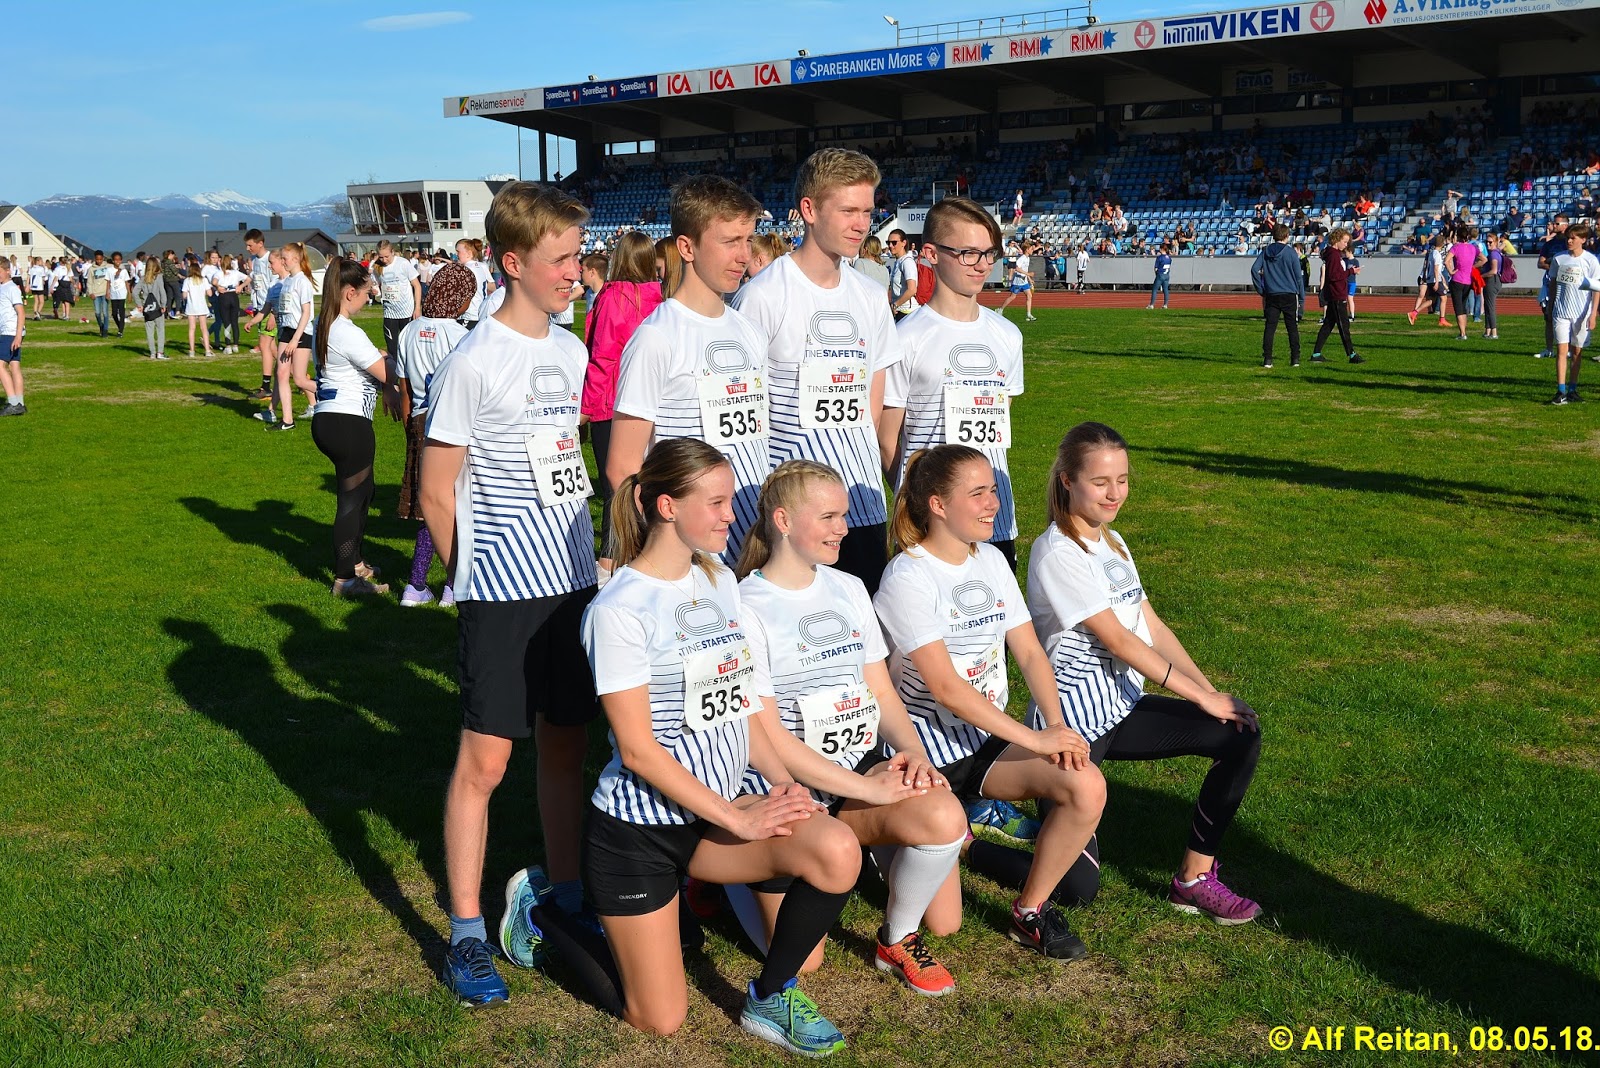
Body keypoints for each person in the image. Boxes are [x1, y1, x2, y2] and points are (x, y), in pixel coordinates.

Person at [580, 437, 858, 1055]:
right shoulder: (618, 608)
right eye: (716, 502)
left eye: (730, 500)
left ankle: (770, 995)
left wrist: (783, 781)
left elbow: (742, 707)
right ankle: (542, 919)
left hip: (711, 819)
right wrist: (737, 817)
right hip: (639, 834)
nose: (731, 515)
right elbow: (638, 752)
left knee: (837, 849)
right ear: (666, 506)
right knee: (659, 1020)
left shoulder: (718, 578)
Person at [419, 182, 600, 1008]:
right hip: (501, 593)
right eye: (562, 259)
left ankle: (562, 896)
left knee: (567, 743)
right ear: (513, 262)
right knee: (486, 760)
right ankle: (464, 929)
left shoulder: (569, 350)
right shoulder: (473, 359)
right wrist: (472, 577)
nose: (578, 272)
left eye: (579, 255)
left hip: (572, 584)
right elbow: (434, 487)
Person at [727, 459, 967, 996]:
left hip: (857, 769)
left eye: (845, 515)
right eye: (830, 516)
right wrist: (868, 789)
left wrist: (915, 753)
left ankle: (896, 938)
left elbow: (881, 692)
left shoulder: (849, 587)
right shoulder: (745, 605)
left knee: (945, 823)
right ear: (783, 521)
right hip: (784, 786)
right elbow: (770, 739)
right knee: (801, 961)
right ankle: (728, 875)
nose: (844, 527)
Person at [874, 444, 1105, 961]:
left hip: (980, 743)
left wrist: (1059, 730)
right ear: (937, 505)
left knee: (1085, 783)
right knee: (946, 923)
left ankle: (1029, 912)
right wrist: (1033, 739)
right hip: (920, 753)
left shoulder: (994, 561)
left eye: (993, 490)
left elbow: (1028, 649)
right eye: (977, 493)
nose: (992, 503)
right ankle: (891, 835)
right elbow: (946, 688)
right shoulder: (907, 576)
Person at [1028, 422, 1263, 923]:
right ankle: (971, 849)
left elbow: (1148, 624)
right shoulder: (1057, 552)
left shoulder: (1113, 542)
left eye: (1123, 480)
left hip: (1121, 708)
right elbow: (1117, 639)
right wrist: (1198, 698)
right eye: (1100, 482)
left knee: (1239, 734)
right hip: (1072, 729)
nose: (1115, 494)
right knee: (1075, 889)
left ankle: (1193, 879)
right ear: (1068, 480)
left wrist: (1208, 691)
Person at [731, 148, 905, 596]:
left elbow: (873, 403)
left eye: (868, 211)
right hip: (797, 511)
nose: (862, 224)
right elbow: (748, 410)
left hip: (862, 502)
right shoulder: (763, 297)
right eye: (848, 210)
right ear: (808, 209)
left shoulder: (870, 296)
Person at [606, 176, 772, 568]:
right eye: (729, 241)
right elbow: (622, 467)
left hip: (756, 539)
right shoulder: (657, 338)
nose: (743, 256)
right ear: (687, 247)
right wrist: (666, 557)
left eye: (748, 240)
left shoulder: (749, 330)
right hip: (692, 552)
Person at [880, 197, 1023, 571]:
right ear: (930, 253)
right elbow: (886, 438)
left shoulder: (1008, 335)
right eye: (967, 253)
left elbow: (997, 422)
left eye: (989, 253)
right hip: (931, 520)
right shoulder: (906, 337)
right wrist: (922, 495)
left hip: (996, 518)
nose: (982, 265)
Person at [582, 231, 663, 581]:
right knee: (647, 481)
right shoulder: (661, 295)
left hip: (612, 401)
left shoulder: (614, 297)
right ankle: (644, 551)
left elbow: (602, 355)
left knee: (617, 486)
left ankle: (610, 560)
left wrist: (585, 407)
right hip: (653, 401)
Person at [310, 257, 394, 597]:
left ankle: (356, 562)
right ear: (348, 293)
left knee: (364, 492)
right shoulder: (347, 330)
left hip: (329, 418)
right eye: (365, 292)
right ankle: (345, 580)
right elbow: (388, 373)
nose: (368, 296)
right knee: (352, 499)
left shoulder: (325, 323)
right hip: (348, 424)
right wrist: (388, 364)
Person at [394, 262, 474, 607]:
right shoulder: (460, 336)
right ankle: (453, 583)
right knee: (456, 506)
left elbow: (402, 385)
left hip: (418, 420)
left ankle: (416, 584)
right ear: (457, 298)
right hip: (450, 424)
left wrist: (410, 421)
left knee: (428, 506)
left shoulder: (409, 332)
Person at [1543, 222, 1600, 405]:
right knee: (1562, 350)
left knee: (1577, 351)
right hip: (1561, 311)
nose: (1569, 240)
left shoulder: (1591, 261)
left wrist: (1592, 315)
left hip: (1581, 312)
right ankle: (1560, 391)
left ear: (1582, 240)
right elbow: (1552, 284)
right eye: (1568, 237)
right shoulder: (1559, 259)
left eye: (1573, 238)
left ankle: (1573, 389)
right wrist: (1550, 306)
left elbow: (1596, 289)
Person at [273, 243, 318, 431]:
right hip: (286, 331)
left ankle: (337, 392)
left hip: (301, 333)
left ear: (295, 259)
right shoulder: (288, 281)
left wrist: (294, 339)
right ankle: (287, 420)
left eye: (284, 258)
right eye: (281, 258)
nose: (282, 261)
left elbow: (306, 313)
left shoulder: (302, 281)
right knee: (282, 373)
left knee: (299, 379)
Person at [1251, 224, 1304, 369]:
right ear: (1287, 236)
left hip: (1272, 294)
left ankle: (1267, 359)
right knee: (1292, 327)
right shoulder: (1291, 253)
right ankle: (1295, 359)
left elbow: (1255, 269)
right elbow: (1298, 277)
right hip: (1289, 294)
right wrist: (1301, 297)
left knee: (1270, 328)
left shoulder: (1266, 251)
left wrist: (1261, 289)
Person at [1310, 229, 1362, 364]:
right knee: (1343, 326)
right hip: (1337, 294)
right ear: (1336, 240)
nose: (1346, 245)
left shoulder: (1333, 254)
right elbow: (1334, 276)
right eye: (1344, 242)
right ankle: (1351, 354)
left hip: (1335, 293)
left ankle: (1316, 353)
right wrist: (1350, 271)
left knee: (1328, 325)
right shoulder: (1333, 255)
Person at [372, 240, 421, 358]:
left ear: (392, 252)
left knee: (409, 347)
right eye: (381, 257)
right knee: (392, 348)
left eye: (387, 256)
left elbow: (417, 285)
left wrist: (417, 308)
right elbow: (375, 285)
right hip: (390, 313)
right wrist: (374, 291)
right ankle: (394, 374)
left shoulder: (403, 263)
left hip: (406, 311)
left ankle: (409, 373)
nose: (384, 260)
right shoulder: (377, 267)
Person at [244, 230, 278, 400]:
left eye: (250, 245)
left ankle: (266, 387)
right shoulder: (255, 261)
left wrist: (272, 313)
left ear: (260, 243)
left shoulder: (270, 260)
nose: (247, 248)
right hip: (260, 308)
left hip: (269, 308)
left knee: (264, 346)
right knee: (272, 349)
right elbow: (255, 279)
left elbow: (275, 285)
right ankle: (300, 377)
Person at [0, 260, 25, 416]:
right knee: (14, 366)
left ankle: (13, 402)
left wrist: (17, 336)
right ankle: (20, 403)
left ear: (7, 270)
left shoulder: (12, 288)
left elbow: (21, 312)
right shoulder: (2, 287)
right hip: (7, 331)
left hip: (10, 332)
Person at [455, 237, 497, 330]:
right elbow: (492, 287)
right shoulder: (482, 266)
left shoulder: (464, 270)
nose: (456, 254)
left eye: (458, 252)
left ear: (469, 253)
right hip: (481, 313)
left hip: (468, 316)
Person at [1409, 235, 1449, 327]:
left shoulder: (1432, 253)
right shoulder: (1437, 254)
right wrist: (1437, 282)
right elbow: (1436, 268)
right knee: (1444, 298)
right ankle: (1442, 319)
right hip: (1435, 280)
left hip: (1431, 279)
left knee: (1432, 300)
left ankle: (1414, 313)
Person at [134, 257, 168, 359]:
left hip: (147, 308)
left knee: (149, 331)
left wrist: (139, 304)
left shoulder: (143, 278)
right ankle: (160, 352)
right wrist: (163, 304)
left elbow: (135, 292)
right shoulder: (159, 277)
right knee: (160, 330)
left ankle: (152, 352)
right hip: (157, 307)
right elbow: (162, 292)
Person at [214, 256, 247, 353]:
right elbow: (248, 278)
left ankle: (228, 345)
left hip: (224, 296)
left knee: (226, 322)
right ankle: (236, 344)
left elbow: (214, 281)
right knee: (234, 322)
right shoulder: (236, 273)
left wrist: (218, 287)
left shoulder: (219, 273)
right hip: (233, 296)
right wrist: (240, 286)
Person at [181, 263, 214, 358]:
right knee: (204, 329)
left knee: (192, 329)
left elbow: (184, 295)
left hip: (191, 307)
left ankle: (192, 351)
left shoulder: (187, 280)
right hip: (202, 307)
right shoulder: (204, 280)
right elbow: (210, 293)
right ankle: (207, 350)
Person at [886, 229, 918, 320]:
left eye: (894, 242)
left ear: (903, 243)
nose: (890, 246)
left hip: (907, 312)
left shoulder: (907, 262)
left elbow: (912, 289)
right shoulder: (898, 261)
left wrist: (896, 304)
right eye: (888, 242)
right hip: (901, 311)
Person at [1482, 231, 1506, 340]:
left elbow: (1494, 270)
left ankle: (1494, 332)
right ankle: (1487, 330)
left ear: (1496, 242)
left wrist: (1482, 275)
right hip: (1492, 280)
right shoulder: (1496, 253)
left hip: (1492, 280)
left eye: (1490, 242)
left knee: (1490, 307)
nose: (1488, 244)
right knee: (1487, 306)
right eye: (1486, 242)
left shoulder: (1493, 254)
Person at [105, 252, 133, 338]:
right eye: (116, 260)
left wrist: (129, 293)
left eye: (119, 260)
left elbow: (126, 282)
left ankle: (120, 331)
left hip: (122, 294)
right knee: (114, 314)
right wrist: (107, 292)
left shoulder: (124, 271)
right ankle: (120, 327)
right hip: (113, 294)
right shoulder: (109, 270)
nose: (117, 261)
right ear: (113, 261)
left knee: (121, 313)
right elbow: (108, 282)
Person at [87, 251, 112, 338]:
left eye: (100, 259)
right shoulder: (91, 269)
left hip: (105, 293)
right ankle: (101, 326)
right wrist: (90, 292)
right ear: (95, 259)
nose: (99, 261)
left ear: (103, 258)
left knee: (105, 313)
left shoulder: (108, 267)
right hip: (96, 293)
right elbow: (89, 282)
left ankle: (105, 330)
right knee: (97, 313)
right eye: (97, 259)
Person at [1147, 243, 1173, 309]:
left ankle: (1152, 304)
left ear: (1161, 249)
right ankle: (1165, 304)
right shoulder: (1169, 258)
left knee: (1155, 289)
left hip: (1160, 274)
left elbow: (1156, 268)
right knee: (1166, 290)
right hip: (1167, 275)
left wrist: (1157, 274)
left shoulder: (1159, 257)